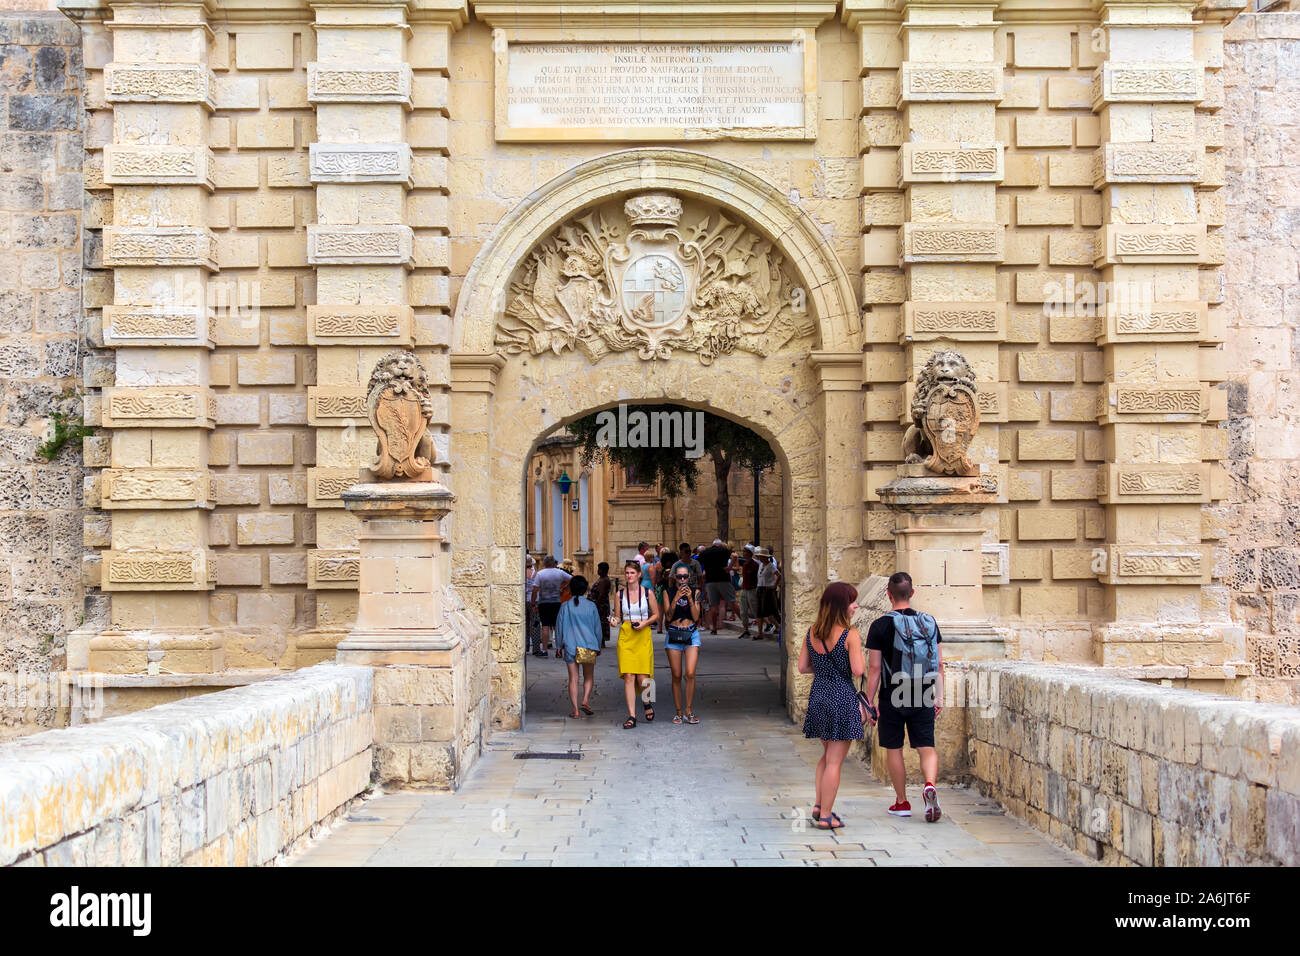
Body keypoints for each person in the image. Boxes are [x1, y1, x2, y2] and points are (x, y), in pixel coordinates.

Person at [863, 571, 944, 823]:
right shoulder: (929, 622)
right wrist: (938, 697)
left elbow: (874, 669)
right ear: (912, 593)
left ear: (888, 594)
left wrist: (869, 701)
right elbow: (940, 664)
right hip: (923, 692)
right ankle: (929, 784)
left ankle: (901, 802)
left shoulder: (879, 626)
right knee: (926, 747)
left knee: (894, 749)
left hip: (892, 695)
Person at [798, 581, 865, 831]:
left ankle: (818, 804)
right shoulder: (851, 635)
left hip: (819, 696)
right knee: (835, 761)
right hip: (841, 697)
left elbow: (803, 667)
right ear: (842, 605)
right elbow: (858, 670)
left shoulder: (812, 632)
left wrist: (824, 667)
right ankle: (826, 815)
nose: (856, 605)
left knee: (826, 756)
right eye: (852, 601)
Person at [611, 560, 659, 728]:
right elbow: (617, 616)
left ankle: (647, 703)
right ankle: (632, 715)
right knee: (629, 676)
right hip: (626, 635)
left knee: (643, 675)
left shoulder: (648, 593)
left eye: (632, 573)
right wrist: (614, 621)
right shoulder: (619, 595)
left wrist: (645, 623)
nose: (629, 576)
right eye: (627, 573)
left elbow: (656, 614)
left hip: (643, 634)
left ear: (639, 574)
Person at [555, 575, 603, 719]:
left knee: (573, 679)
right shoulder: (591, 606)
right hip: (588, 645)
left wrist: (558, 645)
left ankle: (575, 710)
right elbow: (597, 628)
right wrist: (598, 645)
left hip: (570, 646)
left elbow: (559, 628)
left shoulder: (565, 606)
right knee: (588, 677)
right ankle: (585, 700)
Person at [662, 564, 703, 724]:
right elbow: (668, 616)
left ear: (689, 577)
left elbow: (696, 616)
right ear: (674, 577)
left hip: (691, 633)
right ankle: (678, 711)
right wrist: (677, 598)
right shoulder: (668, 592)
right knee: (677, 675)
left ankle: (689, 710)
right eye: (679, 577)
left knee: (690, 673)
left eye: (685, 576)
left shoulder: (697, 592)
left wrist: (690, 598)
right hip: (674, 633)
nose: (682, 580)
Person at [529, 555, 571, 658]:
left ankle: (544, 650)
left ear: (544, 563)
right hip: (556, 602)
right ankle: (558, 649)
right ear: (554, 563)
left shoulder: (540, 574)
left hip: (544, 602)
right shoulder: (560, 573)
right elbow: (573, 579)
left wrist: (533, 603)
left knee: (545, 627)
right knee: (557, 626)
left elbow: (535, 590)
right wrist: (565, 588)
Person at [697, 538, 738, 635]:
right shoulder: (724, 551)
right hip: (724, 579)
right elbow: (735, 556)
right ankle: (745, 626)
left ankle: (714, 628)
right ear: (720, 545)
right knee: (732, 601)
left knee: (713, 605)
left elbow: (697, 561)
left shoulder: (706, 552)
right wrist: (729, 567)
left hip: (710, 581)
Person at [754, 547, 780, 638]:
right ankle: (760, 632)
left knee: (767, 612)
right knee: (759, 612)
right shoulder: (761, 565)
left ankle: (777, 626)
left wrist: (774, 585)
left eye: (762, 557)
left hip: (767, 590)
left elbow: (778, 575)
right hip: (760, 588)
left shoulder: (771, 566)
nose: (760, 558)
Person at [590, 561, 613, 647]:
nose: (597, 571)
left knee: (601, 622)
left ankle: (602, 641)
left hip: (601, 606)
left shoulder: (604, 580)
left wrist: (596, 604)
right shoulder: (601, 579)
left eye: (599, 569)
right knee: (598, 622)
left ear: (603, 570)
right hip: (599, 604)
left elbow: (601, 594)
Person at [738, 545, 759, 638]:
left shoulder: (755, 565)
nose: (743, 553)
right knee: (743, 611)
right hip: (744, 589)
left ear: (750, 553)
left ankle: (759, 630)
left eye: (745, 551)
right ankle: (746, 629)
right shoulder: (745, 564)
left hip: (752, 589)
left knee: (755, 610)